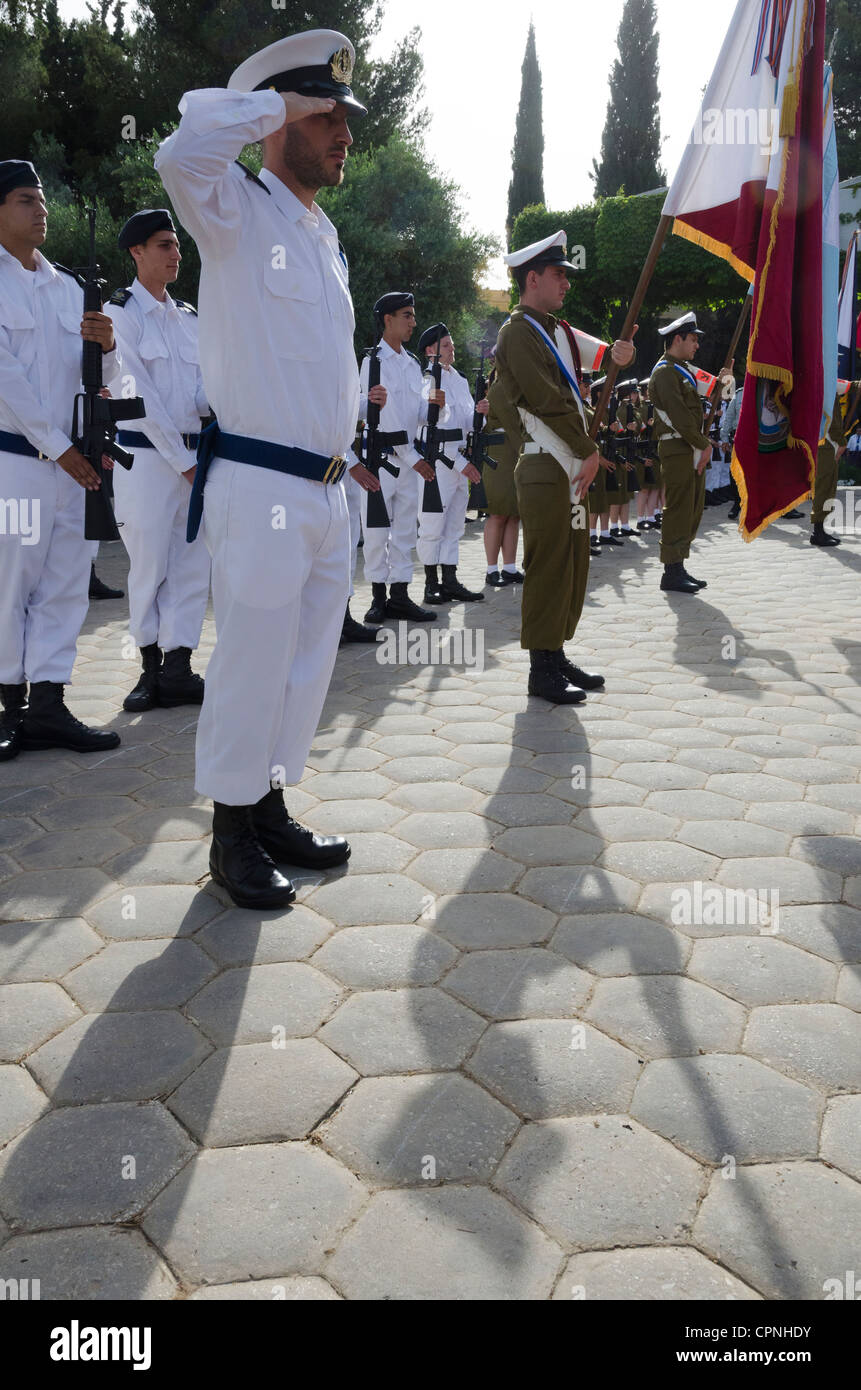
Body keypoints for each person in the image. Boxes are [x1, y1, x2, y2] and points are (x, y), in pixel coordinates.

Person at [154, 28, 365, 908]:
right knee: (249, 661)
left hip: (324, 488)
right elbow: (179, 148)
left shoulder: (322, 234)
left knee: (303, 662)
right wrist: (277, 104)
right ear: (285, 117)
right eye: (328, 117)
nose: (344, 134)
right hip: (260, 482)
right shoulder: (231, 207)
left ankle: (269, 803)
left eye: (345, 119)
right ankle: (230, 834)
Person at [0, 159, 123, 762]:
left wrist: (109, 344)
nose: (40, 210)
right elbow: (7, 383)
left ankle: (48, 703)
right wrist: (61, 446)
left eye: (43, 200)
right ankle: (7, 707)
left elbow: (106, 379)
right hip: (19, 462)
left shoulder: (71, 287)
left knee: (66, 583)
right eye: (26, 200)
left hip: (77, 465)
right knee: (10, 582)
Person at [495, 229, 635, 703]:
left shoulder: (558, 329)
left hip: (570, 467)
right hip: (547, 467)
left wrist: (621, 355)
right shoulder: (518, 330)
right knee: (548, 564)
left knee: (572, 562)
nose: (566, 284)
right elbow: (547, 399)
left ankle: (554, 652)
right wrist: (589, 448)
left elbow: (604, 358)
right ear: (532, 278)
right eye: (559, 275)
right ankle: (541, 668)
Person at [105, 207, 212, 711]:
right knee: (149, 565)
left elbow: (203, 390)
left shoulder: (189, 318)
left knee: (192, 566)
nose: (176, 253)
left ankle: (179, 668)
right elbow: (135, 394)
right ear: (137, 252)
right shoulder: (118, 314)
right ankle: (149, 671)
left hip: (195, 456)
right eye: (165, 245)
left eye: (176, 244)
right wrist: (183, 462)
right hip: (147, 461)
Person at [357, 292, 442, 624]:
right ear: (388, 319)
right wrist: (412, 458)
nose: (413, 322)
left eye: (413, 315)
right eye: (407, 315)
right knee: (377, 531)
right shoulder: (372, 361)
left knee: (406, 529)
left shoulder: (411, 364)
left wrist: (434, 405)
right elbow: (380, 417)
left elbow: (415, 415)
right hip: (383, 459)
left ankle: (401, 594)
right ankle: (379, 597)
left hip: (407, 461)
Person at [415, 322, 485, 604]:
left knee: (455, 524)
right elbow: (427, 429)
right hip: (438, 463)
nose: (452, 350)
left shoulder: (459, 380)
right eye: (446, 346)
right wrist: (459, 463)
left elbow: (468, 422)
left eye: (453, 345)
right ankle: (431, 583)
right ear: (431, 350)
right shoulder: (423, 382)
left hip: (460, 460)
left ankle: (450, 580)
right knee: (432, 524)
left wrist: (481, 412)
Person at [649, 311, 718, 594]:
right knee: (679, 508)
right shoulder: (666, 372)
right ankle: (671, 571)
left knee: (692, 508)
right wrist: (702, 443)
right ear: (677, 339)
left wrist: (724, 380)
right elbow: (678, 414)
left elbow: (712, 391)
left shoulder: (683, 371)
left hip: (689, 445)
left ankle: (678, 565)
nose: (696, 345)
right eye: (692, 339)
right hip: (678, 447)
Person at [483, 356, 523, 584]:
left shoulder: (511, 388)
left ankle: (509, 566)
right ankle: (491, 569)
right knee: (498, 513)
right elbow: (513, 425)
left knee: (513, 514)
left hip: (512, 453)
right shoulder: (500, 389)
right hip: (501, 456)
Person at [810, 384, 857, 547]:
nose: (837, 361)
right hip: (826, 441)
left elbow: (851, 386)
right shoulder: (826, 379)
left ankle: (820, 529)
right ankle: (818, 532)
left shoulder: (827, 378)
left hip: (826, 442)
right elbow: (831, 417)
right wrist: (842, 441)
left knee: (827, 487)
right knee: (824, 487)